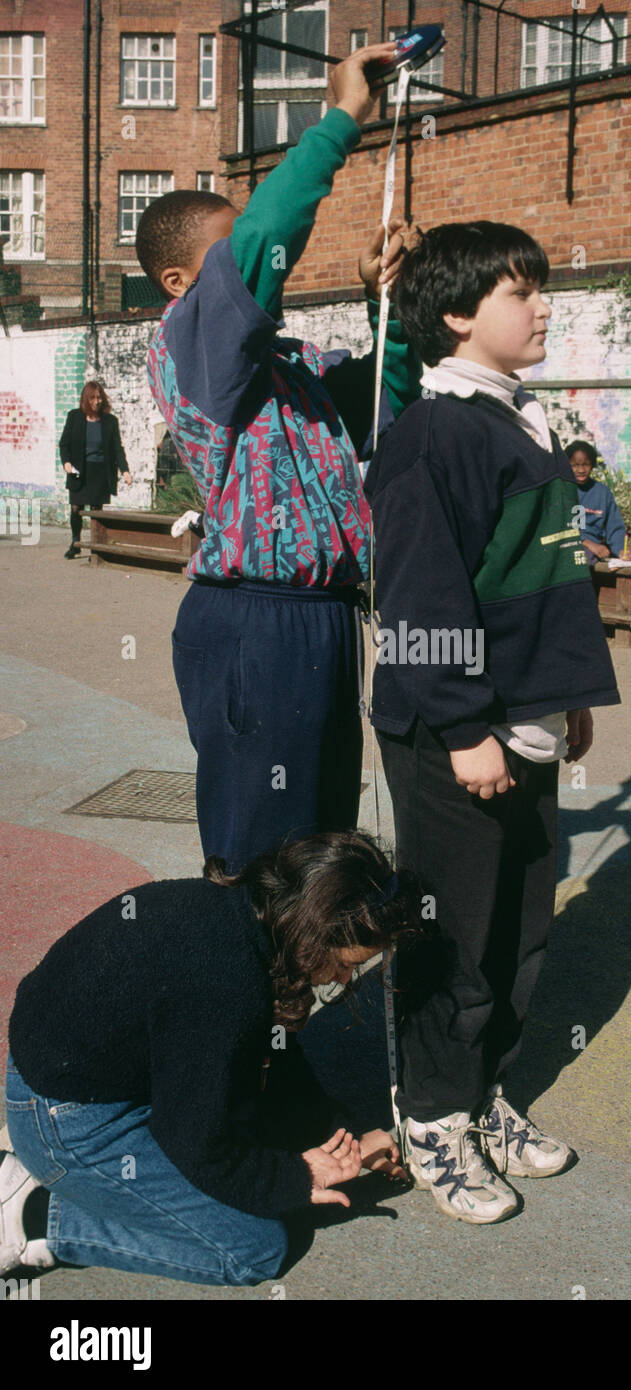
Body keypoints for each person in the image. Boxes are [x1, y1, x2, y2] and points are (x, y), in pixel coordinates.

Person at [364, 221, 620, 1225]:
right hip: (456, 734)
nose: (544, 305)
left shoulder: (524, 422)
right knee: (453, 936)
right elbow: (420, 598)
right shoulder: (434, 433)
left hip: (531, 719)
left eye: (542, 288)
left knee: (521, 932)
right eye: (523, 292)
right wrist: (468, 727)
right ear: (460, 314)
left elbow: (549, 581)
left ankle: (482, 1096)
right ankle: (432, 1117)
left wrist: (572, 701)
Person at [136, 41, 420, 874]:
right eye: (229, 258)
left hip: (326, 616)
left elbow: (383, 406)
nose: (261, 267)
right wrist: (341, 120)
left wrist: (386, 304)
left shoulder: (293, 367)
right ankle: (238, 994)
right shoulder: (192, 349)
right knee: (258, 840)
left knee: (319, 841)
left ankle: (294, 997)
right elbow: (265, 234)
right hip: (252, 620)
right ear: (182, 283)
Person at [0, 831, 419, 1287]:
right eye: (343, 964)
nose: (341, 979)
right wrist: (296, 1177)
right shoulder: (224, 984)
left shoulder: (245, 914)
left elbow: (273, 1055)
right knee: (255, 1247)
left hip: (92, 1081)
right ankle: (38, 1216)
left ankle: (83, 1186)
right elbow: (196, 1142)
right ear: (314, 933)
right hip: (66, 1122)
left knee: (253, 1139)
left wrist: (340, 1133)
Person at [59, 382, 132, 559]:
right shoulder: (74, 417)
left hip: (100, 471)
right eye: (92, 398)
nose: (97, 401)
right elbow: (64, 443)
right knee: (76, 508)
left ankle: (96, 546)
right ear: (86, 399)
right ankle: (75, 544)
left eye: (99, 397)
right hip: (78, 470)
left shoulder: (110, 421)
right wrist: (66, 462)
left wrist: (125, 470)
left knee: (96, 511)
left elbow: (117, 449)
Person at [565, 439, 626, 564]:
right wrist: (586, 543)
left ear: (592, 465)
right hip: (568, 545)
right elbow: (559, 525)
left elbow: (614, 527)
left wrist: (620, 550)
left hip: (594, 550)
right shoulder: (562, 490)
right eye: (575, 465)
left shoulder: (602, 492)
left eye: (586, 464)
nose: (581, 470)